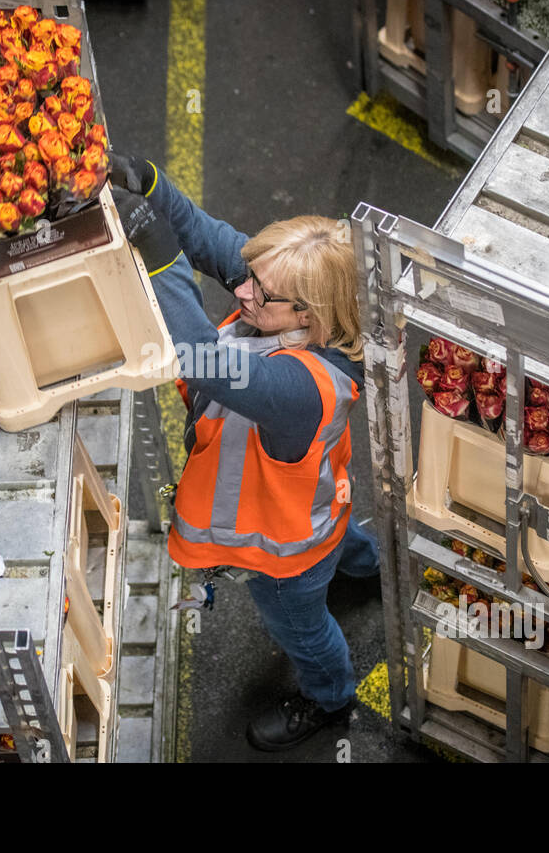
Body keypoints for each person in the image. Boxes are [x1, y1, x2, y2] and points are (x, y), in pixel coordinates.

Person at [108, 154, 381, 752]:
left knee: (301, 627)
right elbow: (207, 239)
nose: (244, 288)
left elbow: (202, 354)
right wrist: (143, 181)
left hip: (284, 552)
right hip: (316, 505)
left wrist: (158, 257)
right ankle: (370, 568)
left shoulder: (301, 391)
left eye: (259, 289)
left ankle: (328, 697)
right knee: (342, 537)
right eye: (250, 275)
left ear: (305, 316)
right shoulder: (294, 298)